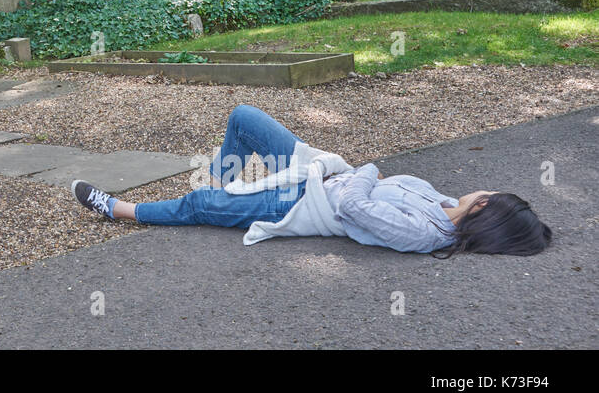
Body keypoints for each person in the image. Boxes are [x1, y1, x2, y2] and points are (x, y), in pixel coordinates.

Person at [72, 104, 552, 256]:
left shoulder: (427, 235)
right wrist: (352, 173)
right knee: (244, 119)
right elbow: (377, 189)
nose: (479, 191)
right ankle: (225, 191)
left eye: (486, 195)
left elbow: (354, 208)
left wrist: (362, 172)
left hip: (304, 202)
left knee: (199, 206)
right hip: (322, 171)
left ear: (484, 208)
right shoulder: (443, 204)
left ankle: (122, 211)